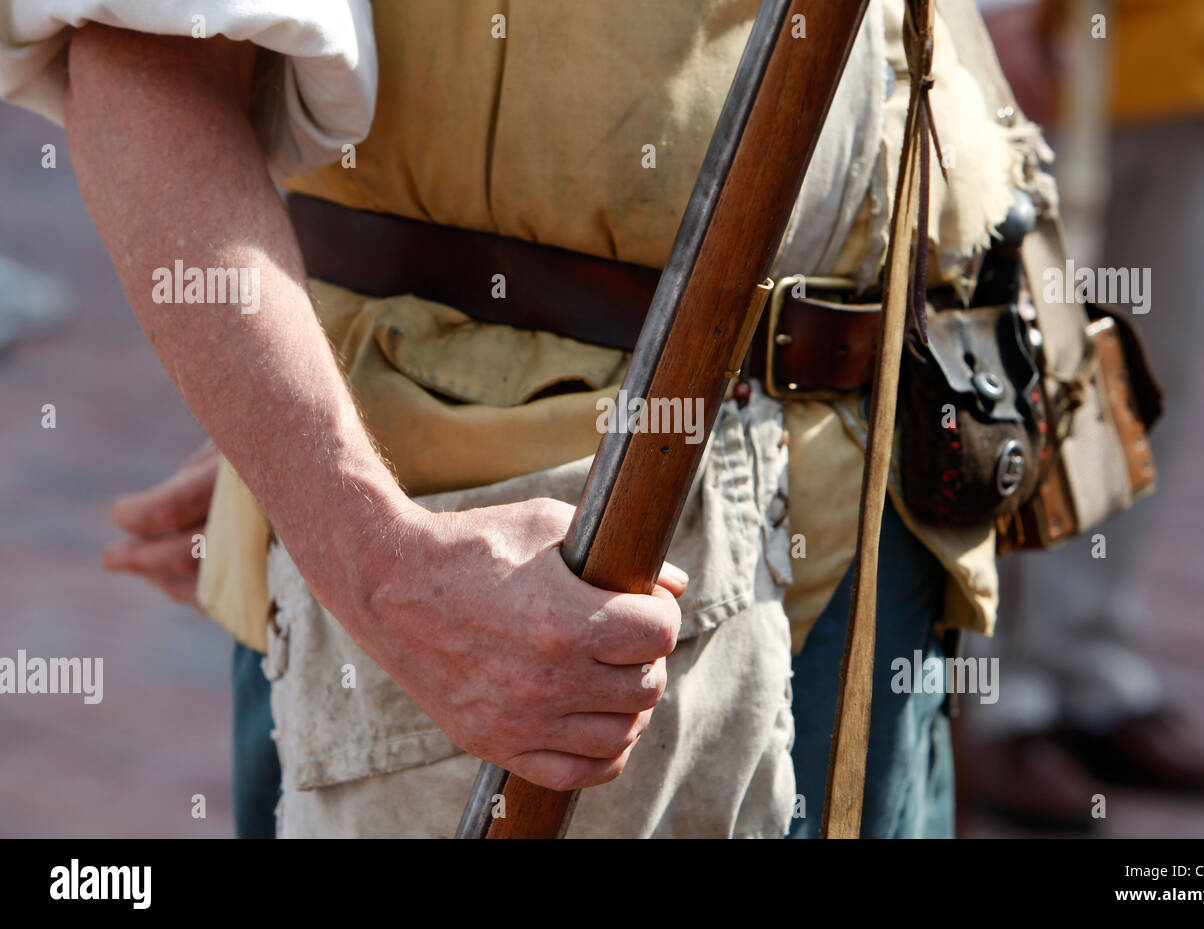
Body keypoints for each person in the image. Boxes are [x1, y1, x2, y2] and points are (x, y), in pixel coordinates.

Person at [1, 0, 1062, 837]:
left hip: (886, 514)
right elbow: (144, 61)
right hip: (542, 564)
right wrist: (356, 534)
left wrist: (282, 411)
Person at [972, 0, 1204, 830]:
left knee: (1143, 388)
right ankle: (994, 695)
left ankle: (1084, 664)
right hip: (1056, 54)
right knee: (1021, 378)